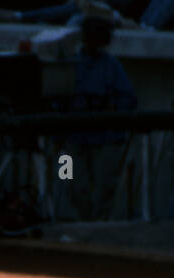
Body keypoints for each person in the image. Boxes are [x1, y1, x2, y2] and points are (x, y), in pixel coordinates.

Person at [59, 13, 138, 221]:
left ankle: (98, 228)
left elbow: (128, 100)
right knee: (74, 185)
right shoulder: (71, 63)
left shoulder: (111, 65)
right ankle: (83, 224)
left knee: (105, 189)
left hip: (106, 137)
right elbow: (59, 98)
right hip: (75, 137)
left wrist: (109, 112)